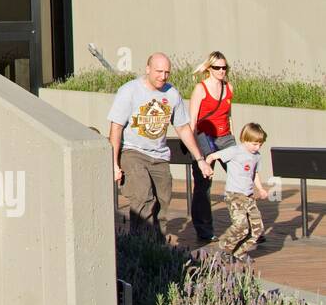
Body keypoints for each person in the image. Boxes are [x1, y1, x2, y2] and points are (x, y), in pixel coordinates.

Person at [108, 53, 213, 239]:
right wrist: (114, 163)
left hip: (160, 155)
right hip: (133, 152)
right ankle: (141, 246)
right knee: (143, 197)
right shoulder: (130, 91)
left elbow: (183, 128)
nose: (163, 76)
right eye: (158, 71)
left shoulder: (171, 94)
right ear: (147, 69)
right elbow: (115, 128)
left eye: (167, 72)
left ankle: (157, 250)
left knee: (163, 203)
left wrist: (200, 159)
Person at [187, 52, 235, 242]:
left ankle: (249, 225)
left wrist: (235, 140)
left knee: (240, 176)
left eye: (224, 67)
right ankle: (204, 229)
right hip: (204, 137)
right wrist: (193, 148)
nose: (221, 71)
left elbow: (229, 115)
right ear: (209, 69)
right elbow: (192, 120)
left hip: (225, 137)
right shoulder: (200, 89)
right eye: (217, 68)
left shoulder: (228, 87)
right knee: (203, 184)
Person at [205, 123, 269, 264]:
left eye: (260, 145)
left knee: (257, 229)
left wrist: (260, 189)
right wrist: (207, 167)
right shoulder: (234, 151)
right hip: (234, 195)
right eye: (254, 144)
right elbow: (212, 156)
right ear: (245, 139)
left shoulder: (256, 156)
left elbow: (255, 173)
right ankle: (224, 248)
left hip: (249, 196)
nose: (257, 148)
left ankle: (240, 252)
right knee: (241, 226)